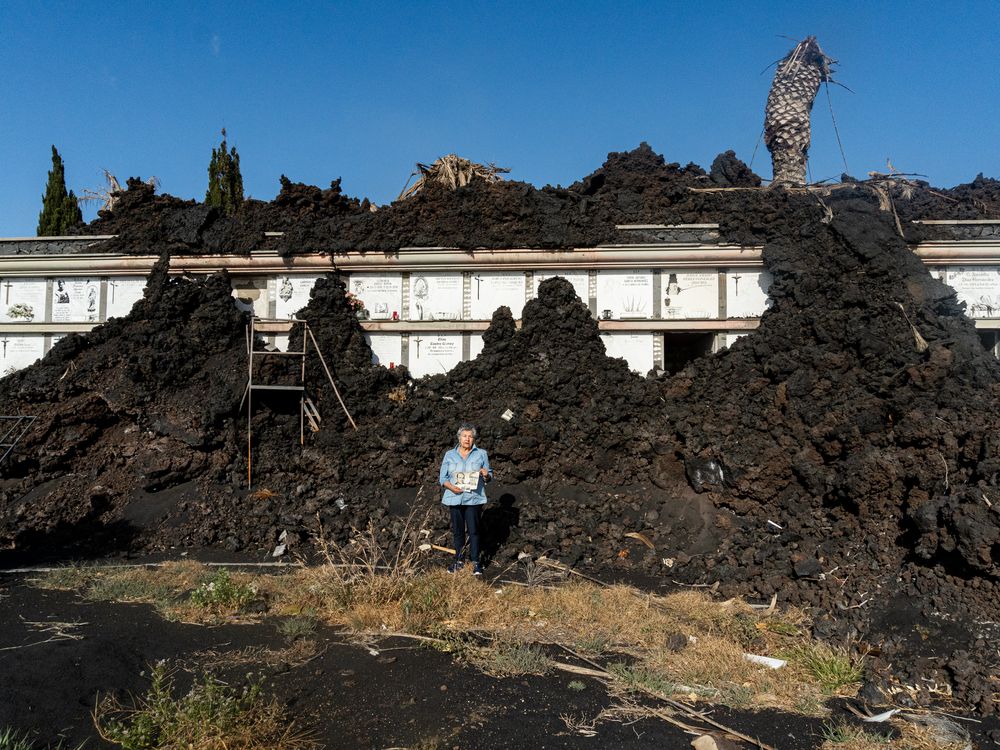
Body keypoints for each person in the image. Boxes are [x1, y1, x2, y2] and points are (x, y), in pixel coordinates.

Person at [439, 423, 492, 575]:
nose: (467, 439)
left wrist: (486, 474)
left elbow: (489, 476)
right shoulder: (449, 455)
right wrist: (451, 487)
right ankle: (459, 561)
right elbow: (443, 478)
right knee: (458, 531)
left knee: (474, 530)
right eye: (464, 436)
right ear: (459, 438)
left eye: (470, 436)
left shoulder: (481, 454)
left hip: (473, 498)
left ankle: (476, 562)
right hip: (454, 497)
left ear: (473, 439)